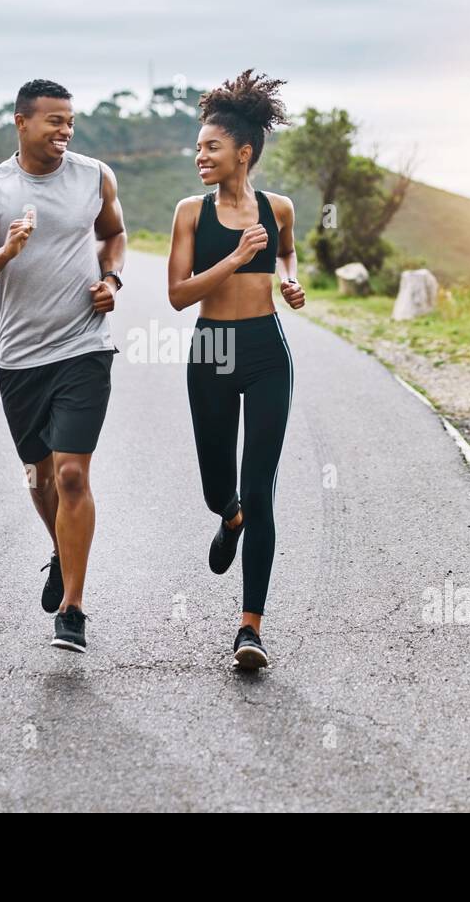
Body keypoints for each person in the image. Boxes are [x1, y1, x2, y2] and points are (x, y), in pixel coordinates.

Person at [0, 79, 126, 653]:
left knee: (73, 474)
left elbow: (114, 234)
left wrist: (111, 278)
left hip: (84, 346)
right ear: (21, 123)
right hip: (21, 357)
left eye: (70, 121)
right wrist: (6, 252)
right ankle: (60, 546)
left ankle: (73, 608)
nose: (64, 130)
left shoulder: (94, 176)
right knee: (40, 476)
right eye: (53, 120)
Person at [166, 69, 304, 670]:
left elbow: (289, 251)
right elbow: (178, 294)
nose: (200, 155)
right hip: (211, 352)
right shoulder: (190, 214)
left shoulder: (279, 208)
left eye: (211, 147)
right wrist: (238, 256)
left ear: (242, 153)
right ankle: (229, 516)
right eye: (198, 147)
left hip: (266, 350)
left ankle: (250, 628)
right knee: (216, 486)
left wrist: (291, 280)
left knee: (262, 487)